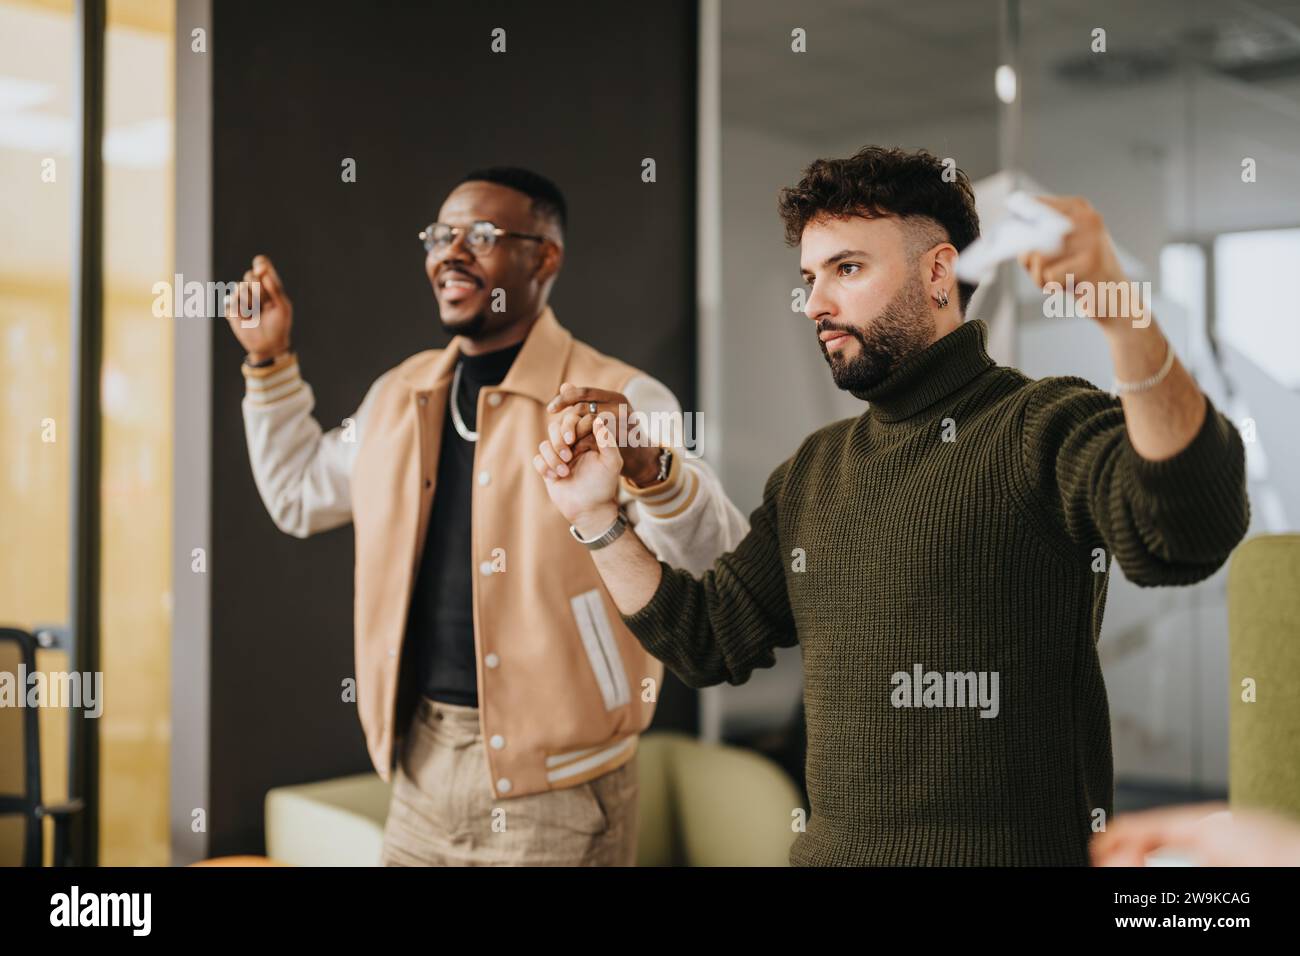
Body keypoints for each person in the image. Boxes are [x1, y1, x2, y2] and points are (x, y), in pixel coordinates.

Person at [534, 146, 1251, 866]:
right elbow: (709, 638)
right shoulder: (815, 468)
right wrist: (598, 518)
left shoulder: (1040, 423)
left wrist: (1124, 320)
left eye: (847, 269)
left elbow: (1190, 527)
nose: (815, 303)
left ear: (938, 273)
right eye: (810, 278)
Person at [223, 166, 748, 865]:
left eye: (479, 235)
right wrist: (269, 360)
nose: (449, 252)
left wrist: (652, 469)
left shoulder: (620, 398)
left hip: (561, 789)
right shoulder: (397, 396)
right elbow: (298, 494)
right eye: (439, 236)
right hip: (419, 770)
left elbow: (717, 568)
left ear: (545, 257)